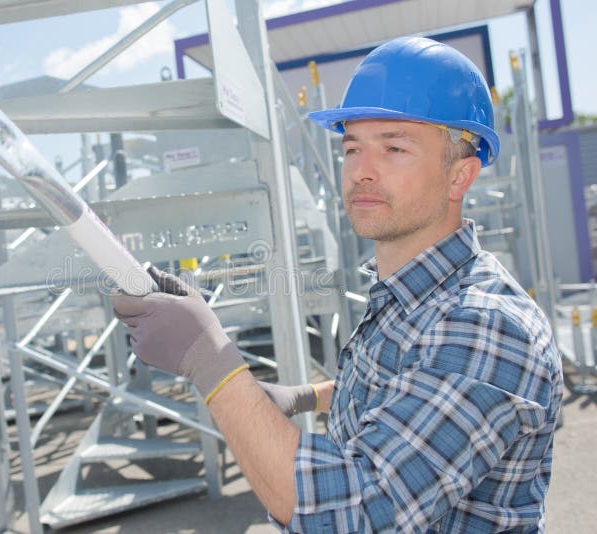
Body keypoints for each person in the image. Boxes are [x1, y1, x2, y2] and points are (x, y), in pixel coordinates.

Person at [112, 36, 562, 533]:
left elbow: (353, 513)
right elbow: (401, 381)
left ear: (460, 176)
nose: (361, 171)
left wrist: (210, 360)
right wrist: (302, 397)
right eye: (352, 148)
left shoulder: (487, 325)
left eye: (394, 148)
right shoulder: (410, 296)